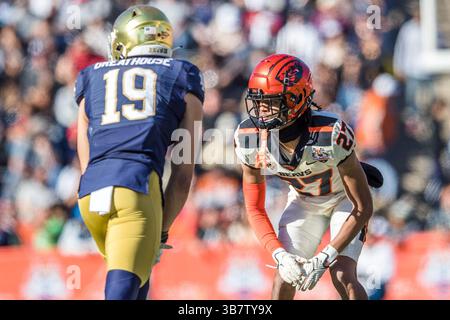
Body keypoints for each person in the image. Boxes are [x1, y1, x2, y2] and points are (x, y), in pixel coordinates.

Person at [76, 5, 204, 300]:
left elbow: (84, 139)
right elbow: (183, 174)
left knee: (137, 283)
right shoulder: (182, 74)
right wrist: (161, 231)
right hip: (136, 188)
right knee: (123, 289)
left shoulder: (91, 75)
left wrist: (90, 181)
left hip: (90, 193)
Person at [234, 53, 381, 300]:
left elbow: (363, 206)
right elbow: (254, 208)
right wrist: (279, 254)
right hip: (304, 200)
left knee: (342, 275)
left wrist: (326, 256)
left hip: (343, 199)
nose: (260, 111)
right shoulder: (248, 138)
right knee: (284, 277)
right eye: (257, 102)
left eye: (269, 102)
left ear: (296, 99)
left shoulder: (329, 133)